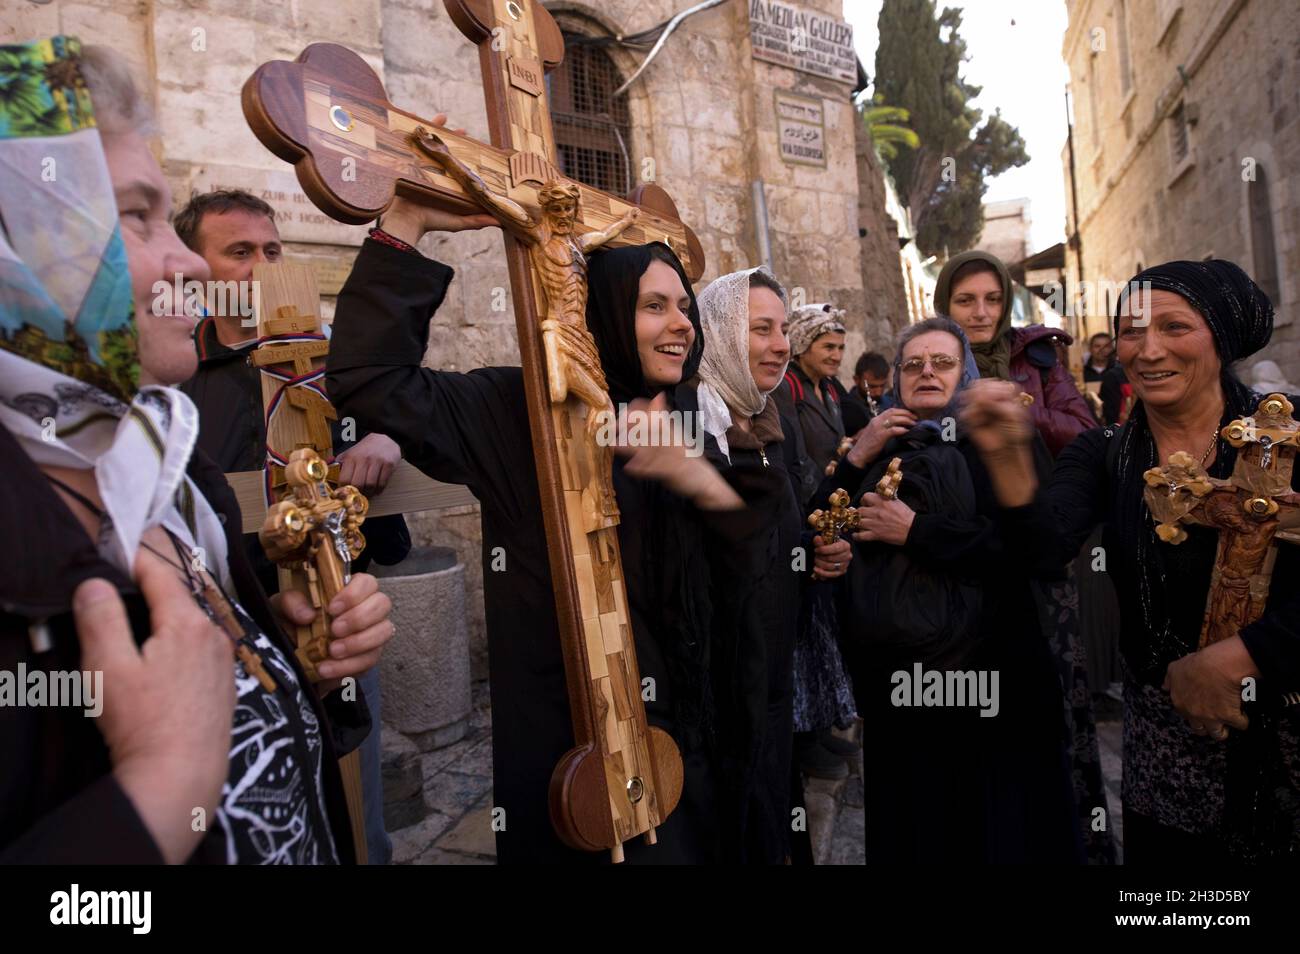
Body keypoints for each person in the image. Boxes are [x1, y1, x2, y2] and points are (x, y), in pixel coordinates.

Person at [0, 39, 391, 863]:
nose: (185, 263)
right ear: (16, 251)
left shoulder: (178, 487)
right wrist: (163, 783)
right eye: (136, 215)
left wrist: (294, 670)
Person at [324, 182, 783, 862]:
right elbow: (371, 380)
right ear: (603, 310)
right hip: (577, 758)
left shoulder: (685, 413)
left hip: (691, 746)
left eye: (684, 305)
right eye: (654, 306)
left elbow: (754, 555)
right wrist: (408, 221)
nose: (682, 323)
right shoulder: (521, 414)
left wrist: (695, 477)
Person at [961, 259, 1300, 863]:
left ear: (1221, 339)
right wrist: (1010, 456)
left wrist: (1242, 655)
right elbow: (1044, 550)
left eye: (1174, 328)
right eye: (1131, 332)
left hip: (1287, 730)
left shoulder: (1289, 439)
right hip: (1168, 751)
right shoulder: (1104, 454)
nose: (1148, 351)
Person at [174, 187, 408, 864]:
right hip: (229, 644)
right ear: (196, 270)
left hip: (333, 625)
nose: (261, 266)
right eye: (238, 251)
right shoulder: (175, 375)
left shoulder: (337, 362)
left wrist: (387, 437)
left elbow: (395, 444)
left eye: (272, 250)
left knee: (360, 827)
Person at [824, 316, 1083, 863]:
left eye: (942, 362)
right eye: (912, 364)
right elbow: (822, 524)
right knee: (918, 825)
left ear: (964, 372)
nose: (926, 372)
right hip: (903, 686)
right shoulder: (882, 445)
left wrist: (917, 532)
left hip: (991, 677)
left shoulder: (996, 437)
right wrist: (855, 457)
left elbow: (1038, 551)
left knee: (991, 829)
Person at [692, 268, 853, 856]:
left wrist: (811, 551)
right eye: (761, 329)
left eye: (782, 329)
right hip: (720, 693)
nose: (781, 344)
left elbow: (772, 535)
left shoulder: (767, 422)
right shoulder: (692, 430)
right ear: (719, 333)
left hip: (774, 671)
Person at [935, 250, 1095, 457]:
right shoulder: (927, 364)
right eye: (965, 301)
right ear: (944, 305)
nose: (981, 313)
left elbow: (1086, 436)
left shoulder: (1034, 356)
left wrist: (1021, 410)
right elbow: (932, 445)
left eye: (993, 299)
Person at [772, 302, 849, 489]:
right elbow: (797, 457)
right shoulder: (786, 386)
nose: (837, 356)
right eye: (829, 347)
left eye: (841, 348)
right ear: (802, 345)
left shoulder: (829, 388)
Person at [843, 350, 893, 436]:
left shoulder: (891, 404)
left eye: (882, 386)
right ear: (856, 380)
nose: (878, 392)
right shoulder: (846, 409)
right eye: (872, 387)